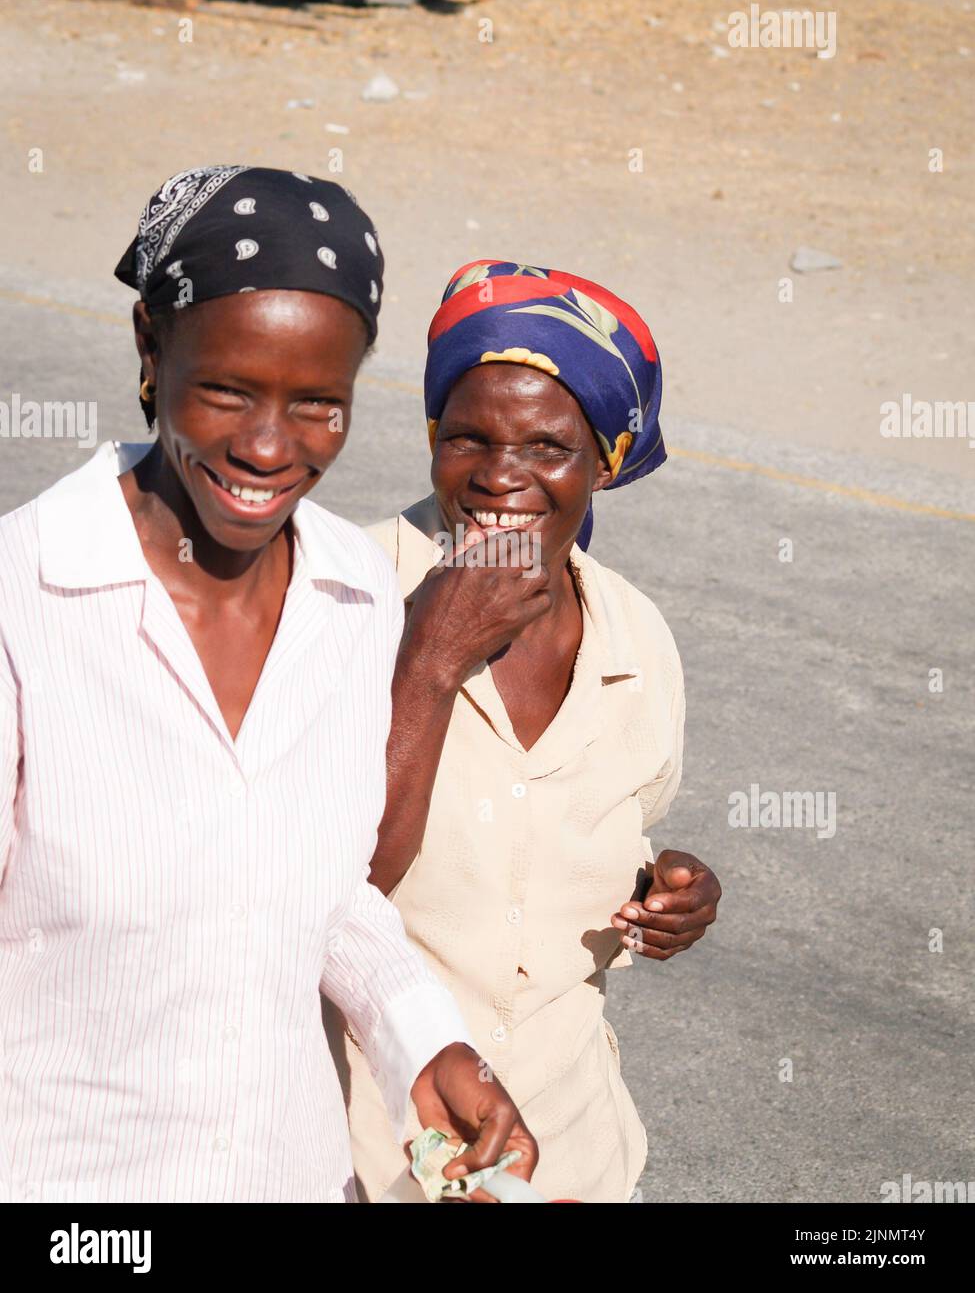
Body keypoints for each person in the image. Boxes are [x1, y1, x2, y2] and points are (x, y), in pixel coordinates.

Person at [0, 171, 536, 1203]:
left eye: (318, 405)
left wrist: (421, 1048)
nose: (268, 447)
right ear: (152, 351)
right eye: (227, 391)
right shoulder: (25, 593)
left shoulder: (353, 592)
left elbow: (328, 887)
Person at [326, 260, 721, 1203]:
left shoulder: (635, 638)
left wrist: (666, 894)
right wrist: (428, 658)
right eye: (467, 437)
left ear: (604, 460)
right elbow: (327, 883)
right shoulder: (338, 594)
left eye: (548, 448)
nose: (500, 477)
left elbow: (562, 840)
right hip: (360, 1147)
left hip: (567, 1147)